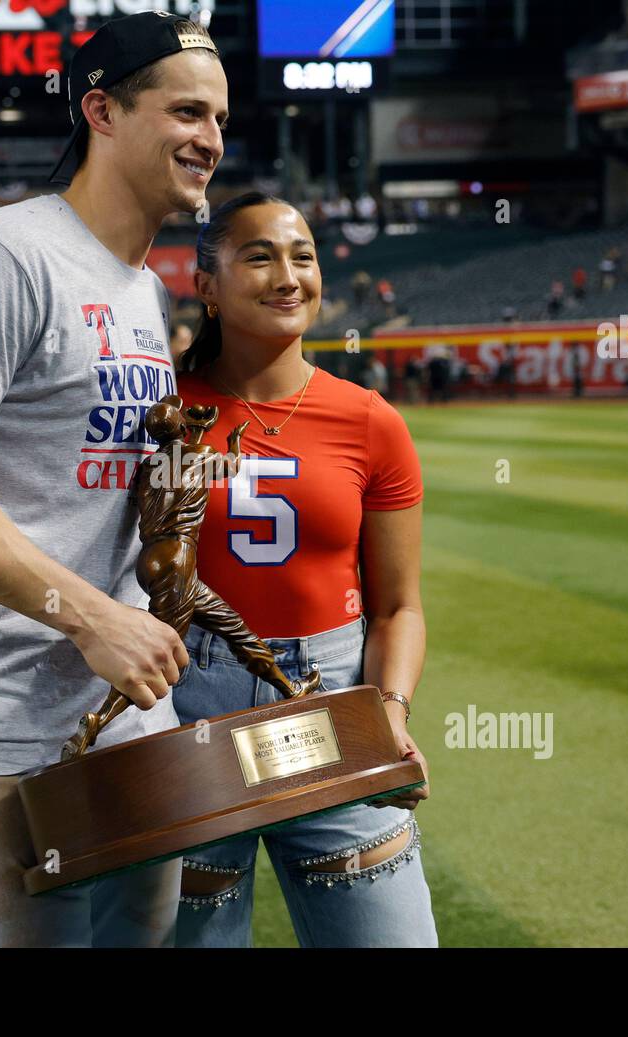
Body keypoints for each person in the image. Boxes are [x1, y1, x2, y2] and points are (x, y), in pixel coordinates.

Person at [0, 12, 227, 948]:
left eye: (220, 119)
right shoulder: (2, 256)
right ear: (101, 110)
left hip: (124, 722)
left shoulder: (143, 287)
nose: (212, 140)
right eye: (187, 111)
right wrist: (93, 617)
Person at [172, 191, 437, 947]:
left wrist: (388, 712)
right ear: (208, 285)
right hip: (185, 707)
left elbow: (397, 609)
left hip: (332, 706)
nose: (288, 275)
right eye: (260, 256)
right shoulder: (163, 413)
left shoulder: (370, 419)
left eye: (303, 256)